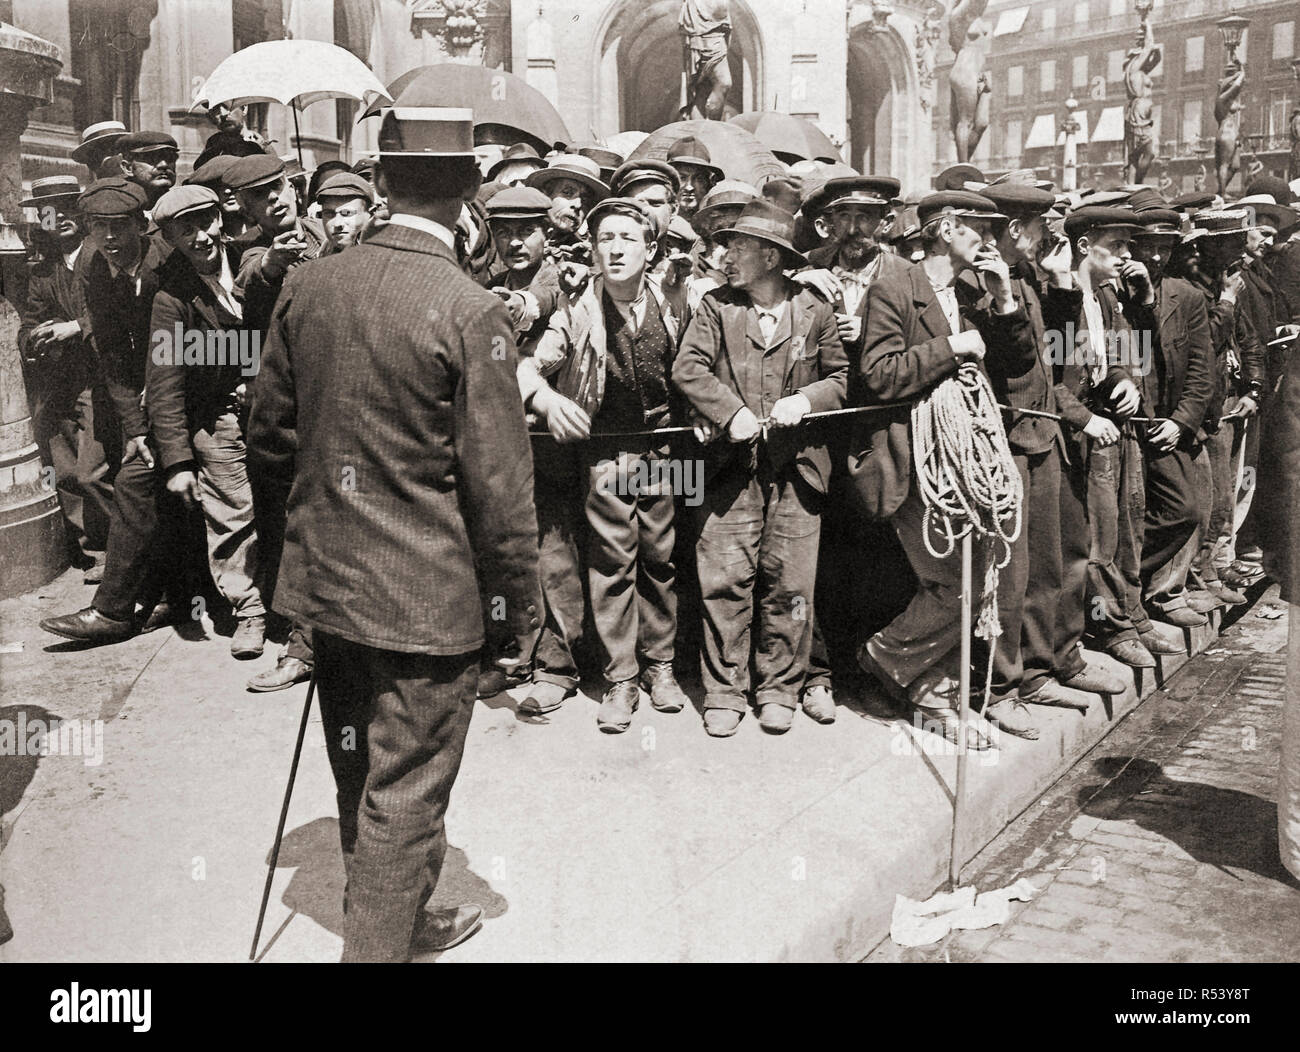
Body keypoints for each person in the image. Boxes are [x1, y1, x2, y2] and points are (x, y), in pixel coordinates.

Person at [247, 107, 542, 962]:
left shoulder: (312, 284)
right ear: (471, 197)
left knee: (360, 772)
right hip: (427, 605)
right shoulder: (471, 308)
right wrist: (514, 616)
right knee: (405, 794)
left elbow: (269, 439)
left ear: (378, 183)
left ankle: (402, 916)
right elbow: (500, 493)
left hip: (328, 595)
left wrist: (306, 547)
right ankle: (378, 945)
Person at [850, 190, 1030, 745]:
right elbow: (879, 375)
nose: (992, 240)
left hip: (970, 455)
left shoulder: (977, 290)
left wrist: (1003, 306)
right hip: (913, 460)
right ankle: (882, 659)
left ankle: (932, 691)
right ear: (947, 227)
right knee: (956, 582)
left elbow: (1018, 365)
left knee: (978, 577)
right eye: (981, 228)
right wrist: (953, 346)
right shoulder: (894, 288)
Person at [673, 199, 848, 736]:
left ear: (771, 257)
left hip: (798, 471)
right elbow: (688, 368)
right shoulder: (715, 308)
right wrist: (731, 413)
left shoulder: (813, 309)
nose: (725, 256)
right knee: (724, 578)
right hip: (729, 469)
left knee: (790, 584)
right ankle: (724, 690)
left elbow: (841, 379)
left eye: (739, 247)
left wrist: (808, 400)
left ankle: (779, 688)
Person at [519, 197, 690, 733]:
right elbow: (526, 370)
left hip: (665, 450)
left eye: (628, 239)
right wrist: (547, 401)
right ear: (592, 251)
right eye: (605, 240)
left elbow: (708, 360)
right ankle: (621, 676)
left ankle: (661, 667)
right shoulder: (577, 311)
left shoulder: (677, 301)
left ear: (650, 249)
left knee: (661, 557)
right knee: (613, 561)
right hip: (606, 454)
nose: (615, 249)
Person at [39, 179, 185, 644]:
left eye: (118, 227)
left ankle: (117, 609)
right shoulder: (94, 268)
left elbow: (202, 337)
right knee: (144, 481)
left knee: (136, 483)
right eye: (97, 227)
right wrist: (137, 425)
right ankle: (162, 597)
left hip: (193, 379)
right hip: (144, 393)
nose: (108, 238)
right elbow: (110, 354)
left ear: (141, 226)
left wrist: (159, 405)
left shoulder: (170, 260)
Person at [1041, 205, 1172, 669]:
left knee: (1126, 524)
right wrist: (1082, 418)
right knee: (1095, 538)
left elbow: (1118, 355)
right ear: (1083, 246)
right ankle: (1110, 627)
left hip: (1111, 428)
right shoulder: (1055, 296)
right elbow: (1046, 379)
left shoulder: (1108, 298)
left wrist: (1125, 381)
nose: (1124, 255)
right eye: (1115, 245)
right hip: (1076, 434)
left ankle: (1130, 615)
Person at [147, 184, 267, 659]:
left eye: (207, 221)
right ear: (172, 239)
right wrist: (177, 461)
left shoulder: (253, 261)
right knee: (234, 513)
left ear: (223, 217)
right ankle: (249, 609)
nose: (201, 236)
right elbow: (164, 382)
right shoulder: (170, 296)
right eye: (186, 229)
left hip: (274, 408)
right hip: (216, 416)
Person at [228, 152, 328, 692]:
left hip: (338, 398)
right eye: (260, 195)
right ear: (244, 207)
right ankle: (297, 638)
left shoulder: (324, 226)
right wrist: (272, 264)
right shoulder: (249, 252)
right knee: (290, 523)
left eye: (280, 187)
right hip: (288, 409)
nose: (276, 199)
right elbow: (250, 282)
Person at [1122, 196, 1215, 632]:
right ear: (1131, 247)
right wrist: (1139, 301)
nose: (1156, 256)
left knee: (1187, 509)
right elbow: (1114, 357)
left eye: (1164, 247)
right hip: (1125, 426)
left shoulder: (1189, 297)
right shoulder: (1112, 293)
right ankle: (1121, 599)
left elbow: (1201, 370)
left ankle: (1129, 584)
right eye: (1147, 246)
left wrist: (1180, 422)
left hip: (1168, 427)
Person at [17, 176, 116, 580]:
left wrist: (74, 326)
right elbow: (29, 323)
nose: (57, 218)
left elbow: (120, 313)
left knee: (92, 471)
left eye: (66, 208)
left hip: (102, 378)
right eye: (47, 212)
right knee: (62, 469)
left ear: (82, 212)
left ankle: (119, 548)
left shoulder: (102, 256)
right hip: (61, 379)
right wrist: (34, 339)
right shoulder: (44, 272)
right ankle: (91, 549)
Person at [183, 155, 250, 239]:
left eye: (233, 184)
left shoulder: (265, 227)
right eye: (220, 187)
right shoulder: (206, 237)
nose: (228, 191)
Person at [115, 131, 179, 212]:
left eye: (170, 158)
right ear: (128, 168)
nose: (163, 165)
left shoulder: (182, 205)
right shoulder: (117, 208)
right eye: (152, 159)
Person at [313, 171, 376, 253]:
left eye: (347, 213)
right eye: (329, 214)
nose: (337, 224)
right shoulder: (325, 250)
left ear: (370, 214)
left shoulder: (381, 252)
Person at [666, 136, 723, 221]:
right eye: (682, 178)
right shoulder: (654, 224)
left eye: (699, 179)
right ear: (668, 182)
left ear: (709, 184)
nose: (689, 187)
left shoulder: (714, 225)